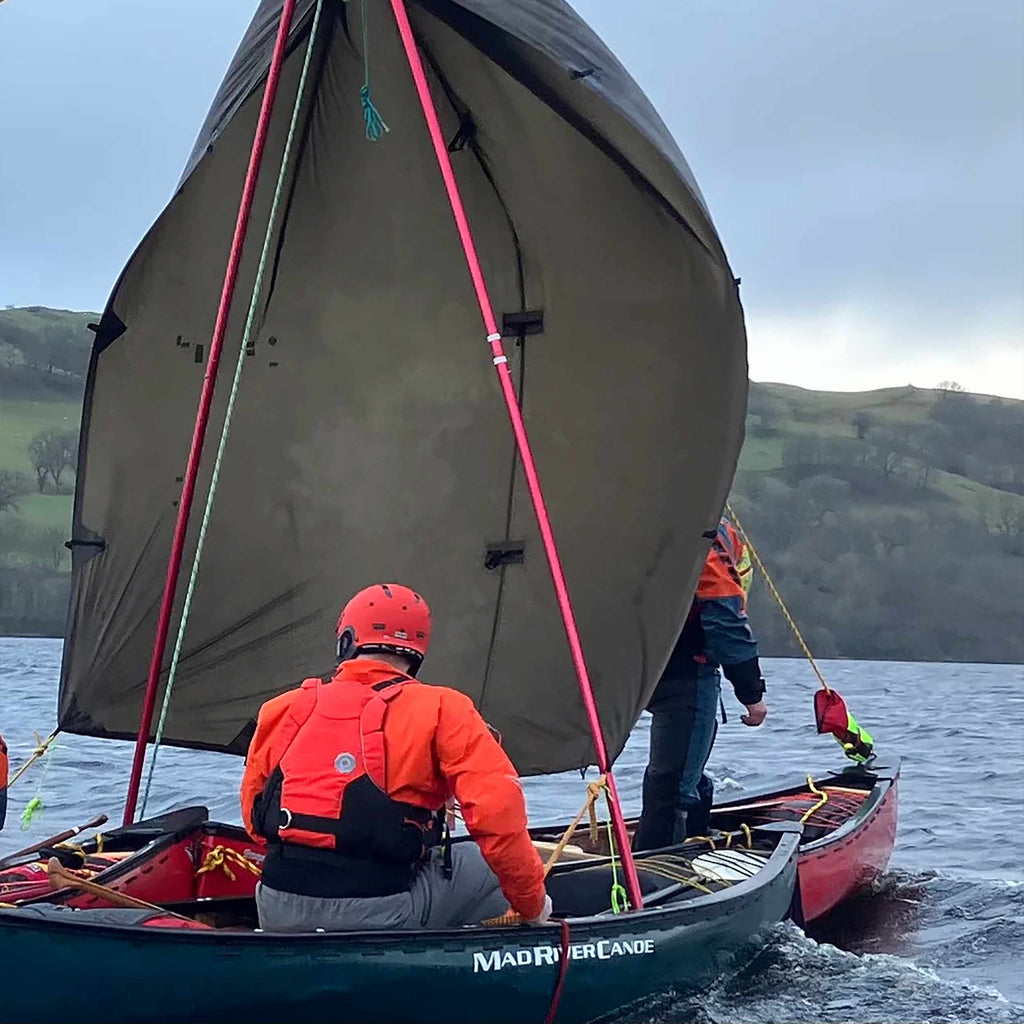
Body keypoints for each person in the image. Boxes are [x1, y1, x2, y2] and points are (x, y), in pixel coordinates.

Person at [240, 583, 550, 933]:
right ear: (416, 655)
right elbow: (498, 818)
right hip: (380, 914)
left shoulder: (281, 709)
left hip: (276, 907)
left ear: (347, 640)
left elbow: (254, 822)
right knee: (485, 867)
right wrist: (531, 902)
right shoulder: (444, 708)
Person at [633, 518, 768, 849]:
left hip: (634, 661)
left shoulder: (635, 513)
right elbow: (724, 611)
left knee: (681, 776)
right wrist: (752, 694)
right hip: (684, 670)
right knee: (673, 786)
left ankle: (695, 843)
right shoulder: (703, 524)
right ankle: (657, 878)